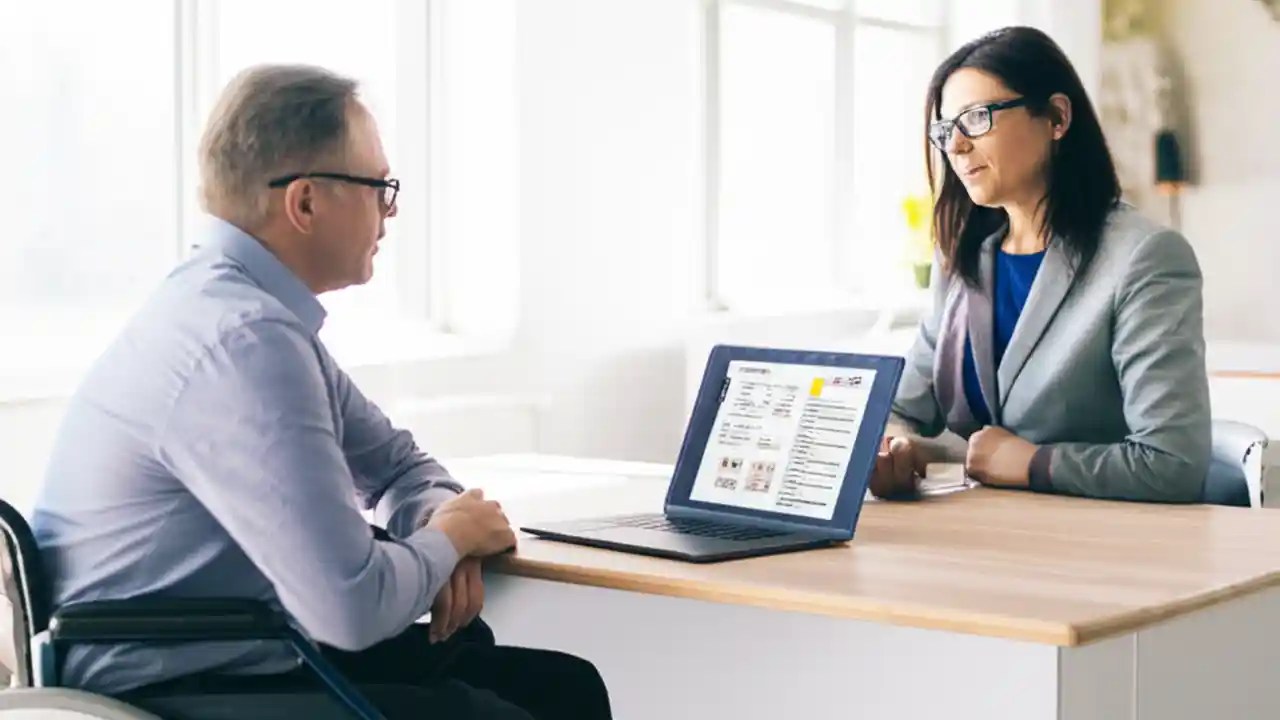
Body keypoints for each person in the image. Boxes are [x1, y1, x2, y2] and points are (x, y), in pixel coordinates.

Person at [32, 64, 611, 719]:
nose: (389, 215)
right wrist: (447, 539)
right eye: (379, 189)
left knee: (563, 688)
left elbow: (396, 464)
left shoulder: (238, 310)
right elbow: (349, 608)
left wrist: (436, 522)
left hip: (240, 647)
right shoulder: (244, 342)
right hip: (171, 686)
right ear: (305, 202)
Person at [870, 26, 1215, 504]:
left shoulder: (1146, 257)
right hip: (979, 539)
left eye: (976, 118)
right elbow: (900, 410)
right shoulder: (962, 256)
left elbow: (1173, 464)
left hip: (1102, 550)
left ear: (1055, 116)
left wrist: (1034, 463)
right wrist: (896, 450)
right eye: (947, 130)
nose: (956, 146)